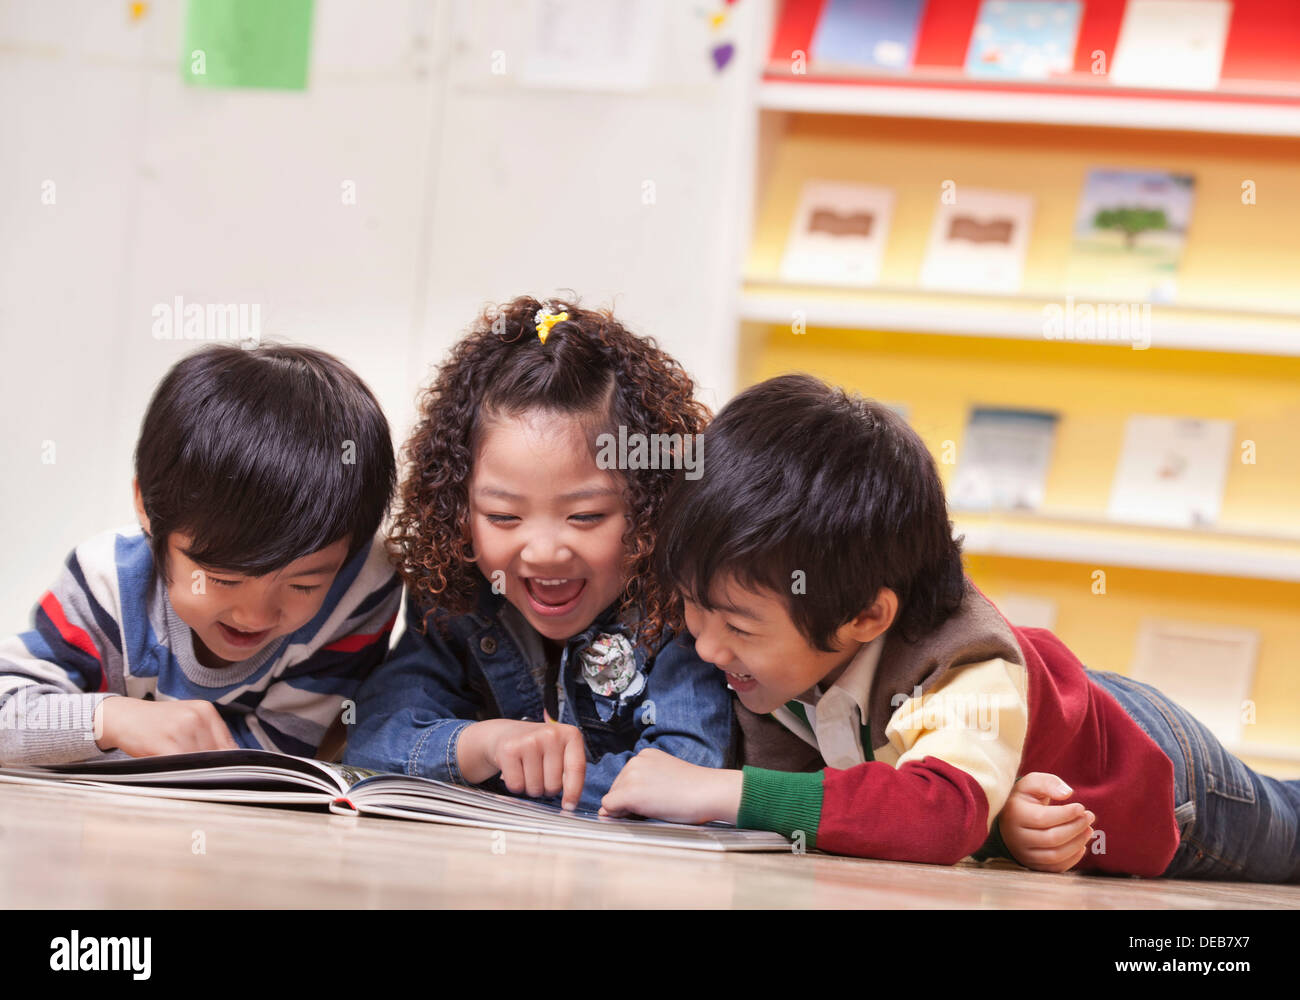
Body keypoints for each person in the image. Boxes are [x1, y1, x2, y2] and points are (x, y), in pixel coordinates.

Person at [601, 373, 1300, 882]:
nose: (706, 644)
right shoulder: (782, 650)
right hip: (1040, 714)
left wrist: (722, 791)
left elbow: (940, 816)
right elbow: (830, 814)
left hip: (1155, 766)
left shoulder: (962, 669)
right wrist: (995, 824)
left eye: (738, 627)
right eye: (693, 605)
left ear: (866, 617)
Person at [344, 296, 732, 812]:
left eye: (586, 517)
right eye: (504, 517)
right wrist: (483, 746)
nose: (545, 552)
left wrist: (501, 783)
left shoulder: (680, 607)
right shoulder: (457, 593)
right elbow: (372, 743)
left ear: (651, 505)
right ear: (456, 509)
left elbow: (689, 771)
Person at [0, 344, 401, 764]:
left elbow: (280, 761)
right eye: (224, 578)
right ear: (146, 507)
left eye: (304, 584)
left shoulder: (357, 588)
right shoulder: (108, 585)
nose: (255, 617)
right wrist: (110, 719)